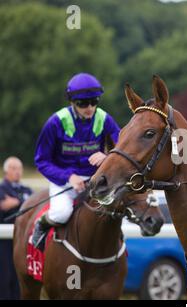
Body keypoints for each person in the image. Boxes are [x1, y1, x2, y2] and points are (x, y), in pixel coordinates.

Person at [32, 73, 121, 248]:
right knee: (61, 214)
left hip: (96, 181)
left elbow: (122, 149)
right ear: (72, 102)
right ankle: (42, 224)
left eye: (94, 102)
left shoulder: (105, 119)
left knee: (117, 208)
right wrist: (69, 177)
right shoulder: (55, 123)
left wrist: (108, 156)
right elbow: (41, 161)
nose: (89, 108)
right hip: (65, 183)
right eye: (83, 103)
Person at [0, 156, 33, 299]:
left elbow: (33, 206)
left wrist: (16, 201)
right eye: (13, 168)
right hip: (4, 239)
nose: (17, 171)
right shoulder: (2, 188)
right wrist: (24, 200)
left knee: (20, 275)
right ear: (6, 171)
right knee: (5, 276)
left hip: (21, 239)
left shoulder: (27, 189)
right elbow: (4, 205)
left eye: (19, 168)